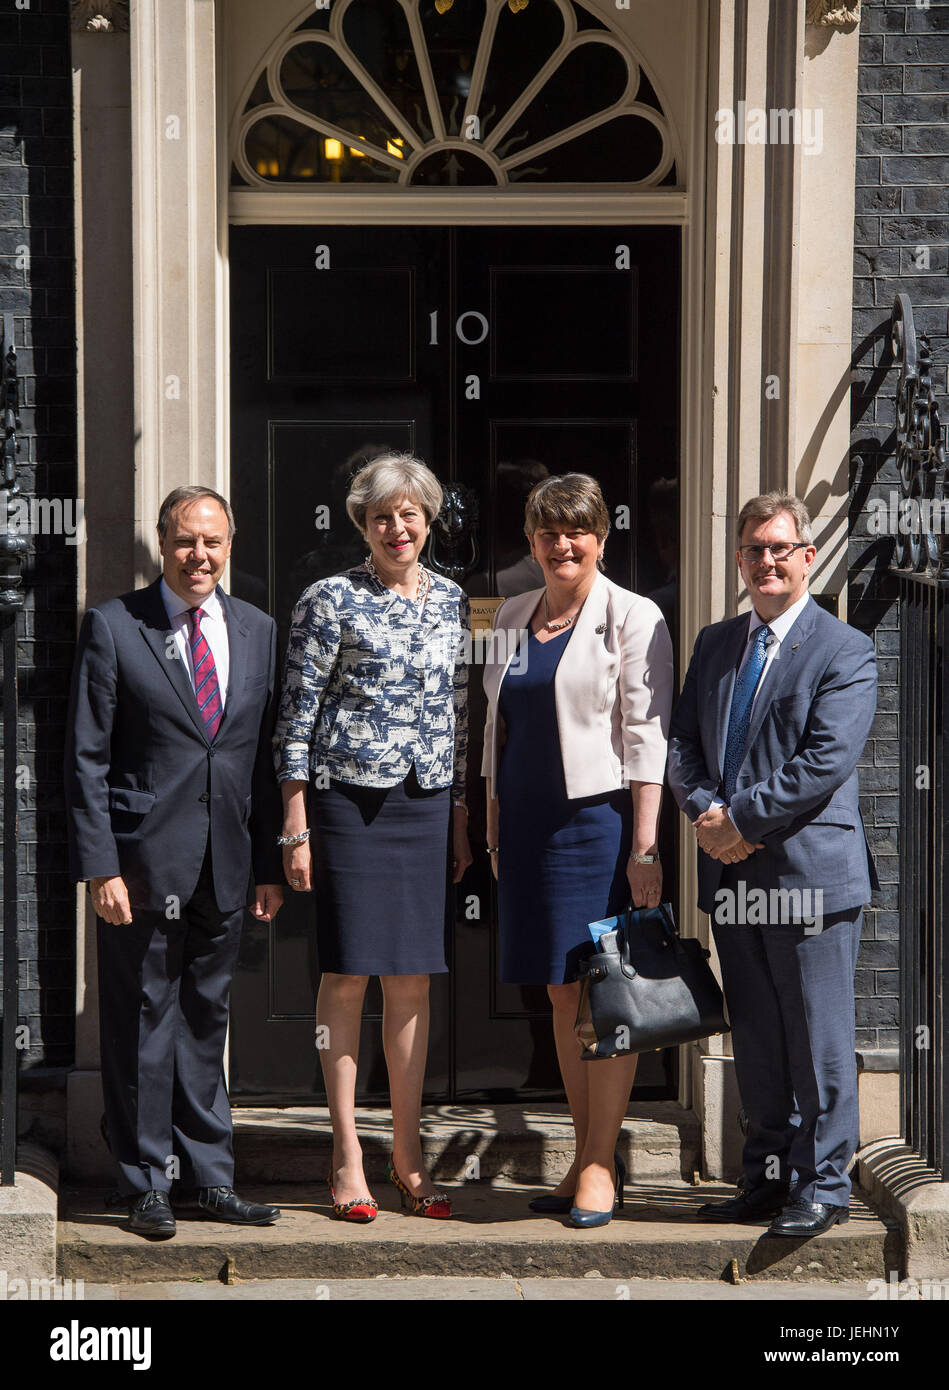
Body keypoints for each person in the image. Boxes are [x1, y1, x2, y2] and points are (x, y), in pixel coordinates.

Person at [65, 487, 285, 1239]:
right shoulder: (115, 625)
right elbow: (86, 758)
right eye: (186, 541)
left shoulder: (257, 630)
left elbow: (256, 761)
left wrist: (267, 866)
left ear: (231, 545)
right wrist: (102, 867)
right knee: (140, 1019)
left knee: (205, 1016)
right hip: (141, 862)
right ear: (163, 543)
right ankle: (143, 1181)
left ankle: (209, 1178)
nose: (200, 556)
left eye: (213, 542)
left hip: (225, 859)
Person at [667, 492, 878, 1237]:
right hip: (734, 878)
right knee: (755, 1033)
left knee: (816, 1035)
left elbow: (824, 759)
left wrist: (738, 822)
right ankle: (764, 1178)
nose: (766, 561)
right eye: (753, 548)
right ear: (739, 559)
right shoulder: (716, 643)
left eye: (779, 548)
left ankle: (823, 1187)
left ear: (807, 557)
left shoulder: (842, 648)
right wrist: (701, 811)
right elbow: (681, 743)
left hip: (809, 876)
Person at [275, 452, 472, 1222]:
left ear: (427, 522)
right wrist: (294, 824)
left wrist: (457, 815)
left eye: (410, 515)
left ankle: (409, 1154)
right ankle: (347, 1155)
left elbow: (459, 716)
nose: (398, 528)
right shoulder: (328, 599)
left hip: (424, 806)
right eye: (383, 516)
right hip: (347, 806)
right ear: (364, 524)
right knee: (348, 976)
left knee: (413, 979)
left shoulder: (453, 602)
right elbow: (294, 717)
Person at [482, 473, 673, 1228]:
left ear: (601, 537)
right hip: (525, 827)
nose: (562, 545)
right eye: (547, 532)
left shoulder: (634, 615)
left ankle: (600, 1163)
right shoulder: (509, 611)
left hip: (597, 823)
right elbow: (491, 725)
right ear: (531, 541)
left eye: (577, 531)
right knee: (559, 993)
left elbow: (646, 735)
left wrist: (647, 848)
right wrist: (489, 816)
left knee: (602, 995)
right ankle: (580, 1152)